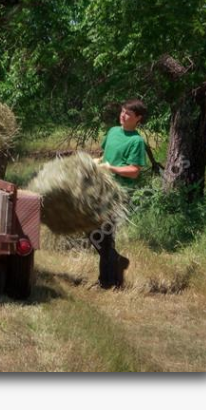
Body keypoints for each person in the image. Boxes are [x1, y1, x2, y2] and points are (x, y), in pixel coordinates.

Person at [92, 99, 149, 288]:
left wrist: (112, 168)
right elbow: (106, 155)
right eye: (122, 112)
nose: (123, 116)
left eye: (128, 114)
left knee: (104, 237)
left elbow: (134, 171)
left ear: (138, 118)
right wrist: (98, 161)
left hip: (118, 194)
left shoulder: (136, 141)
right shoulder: (113, 132)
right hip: (100, 188)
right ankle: (118, 261)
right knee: (91, 230)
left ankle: (107, 282)